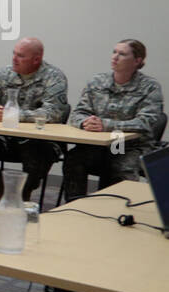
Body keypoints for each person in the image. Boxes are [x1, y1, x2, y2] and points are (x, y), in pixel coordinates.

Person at [0, 37, 69, 203]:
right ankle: (2, 188)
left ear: (36, 59)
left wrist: (14, 115)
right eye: (14, 53)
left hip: (37, 139)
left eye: (20, 56)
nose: (14, 58)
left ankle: (21, 194)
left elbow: (53, 113)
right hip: (3, 137)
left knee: (37, 155)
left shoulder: (54, 78)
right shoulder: (4, 74)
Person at [63, 39, 164, 199]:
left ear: (137, 61)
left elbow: (146, 122)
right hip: (97, 144)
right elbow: (78, 113)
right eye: (114, 52)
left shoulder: (150, 87)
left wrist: (106, 125)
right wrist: (85, 122)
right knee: (74, 159)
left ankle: (120, 211)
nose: (115, 57)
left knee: (121, 165)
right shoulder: (97, 81)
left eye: (122, 54)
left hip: (128, 146)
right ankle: (73, 205)